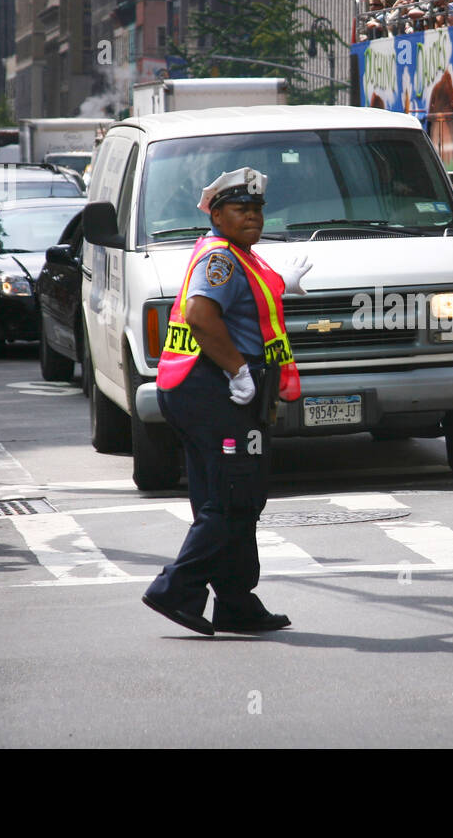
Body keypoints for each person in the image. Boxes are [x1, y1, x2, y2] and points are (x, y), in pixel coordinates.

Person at [143, 167, 312, 636]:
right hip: (213, 389)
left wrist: (283, 285)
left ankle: (236, 602)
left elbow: (246, 302)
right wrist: (238, 369)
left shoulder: (241, 256)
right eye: (241, 209)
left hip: (211, 391)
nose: (253, 216)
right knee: (233, 498)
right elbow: (200, 315)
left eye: (257, 209)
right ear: (216, 214)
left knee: (231, 498)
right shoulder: (220, 258)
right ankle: (175, 589)